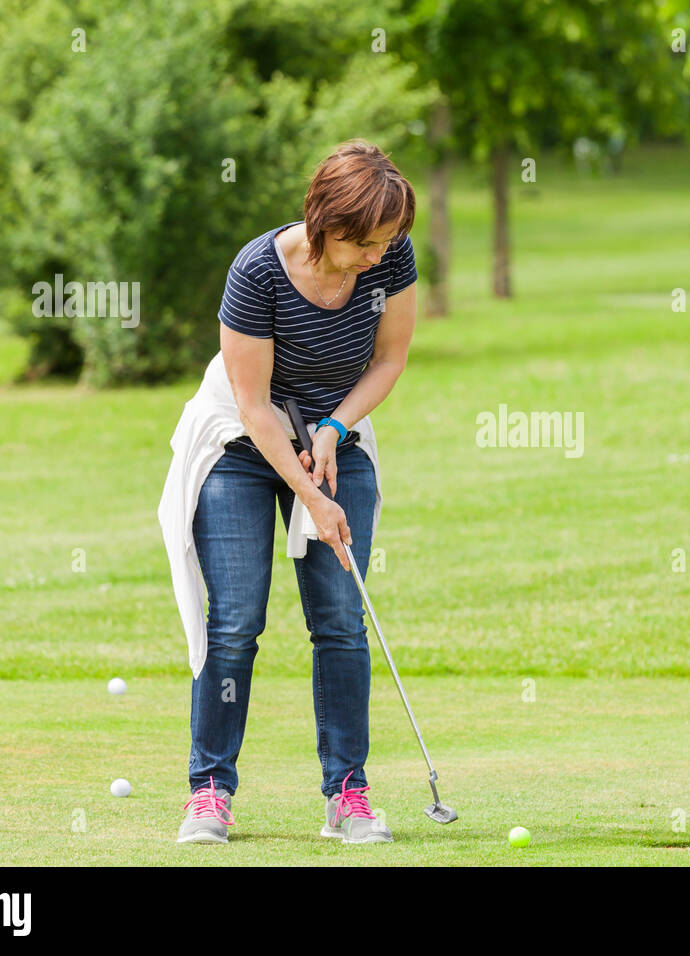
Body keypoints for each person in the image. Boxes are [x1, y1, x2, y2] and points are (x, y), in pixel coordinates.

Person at [176, 139, 417, 845]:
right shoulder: (258, 271)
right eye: (366, 243)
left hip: (334, 436)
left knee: (341, 619)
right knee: (236, 622)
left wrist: (336, 429)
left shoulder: (390, 255)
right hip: (240, 446)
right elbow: (253, 406)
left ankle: (348, 792)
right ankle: (210, 791)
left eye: (389, 242)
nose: (380, 256)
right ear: (327, 225)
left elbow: (391, 356)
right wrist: (311, 496)